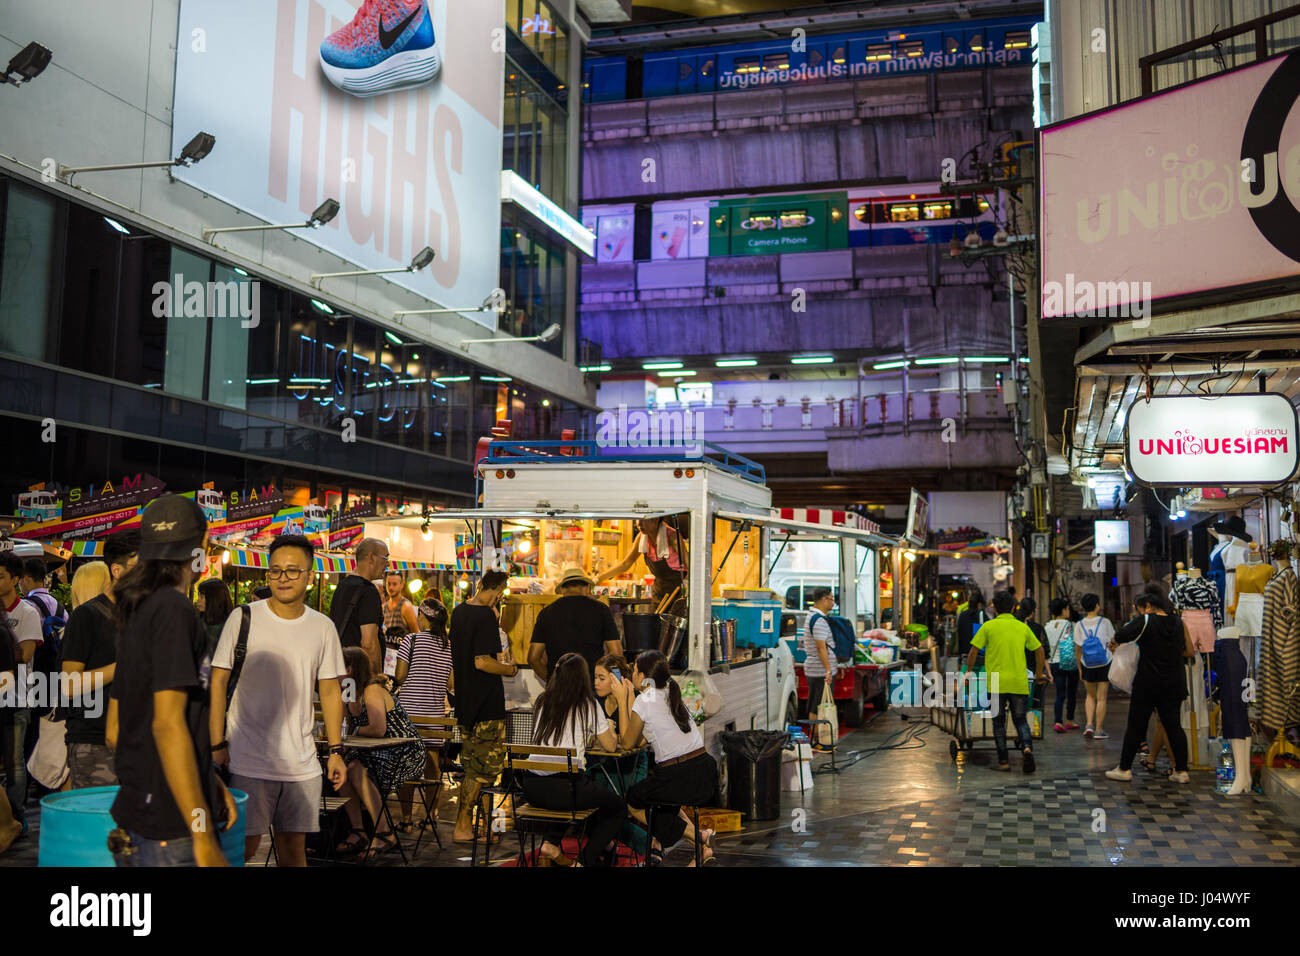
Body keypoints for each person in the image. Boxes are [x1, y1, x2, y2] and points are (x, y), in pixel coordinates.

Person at [107, 495, 237, 867]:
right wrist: (202, 832)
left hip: (140, 818)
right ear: (200, 549)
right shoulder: (173, 610)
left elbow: (116, 729)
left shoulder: (137, 609)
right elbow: (167, 724)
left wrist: (208, 782)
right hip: (172, 829)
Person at [209, 535, 347, 867]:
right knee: (241, 847)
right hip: (246, 758)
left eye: (292, 571)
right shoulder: (243, 618)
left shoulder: (322, 627)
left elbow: (329, 691)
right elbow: (217, 683)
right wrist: (217, 745)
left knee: (293, 850)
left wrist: (337, 751)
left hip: (302, 765)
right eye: (275, 571)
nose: (282, 578)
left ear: (310, 576)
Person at [607, 650, 716, 865]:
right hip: (705, 771)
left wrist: (622, 700)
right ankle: (702, 848)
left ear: (643, 676)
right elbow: (639, 740)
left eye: (635, 670)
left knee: (633, 801)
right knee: (662, 808)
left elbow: (627, 743)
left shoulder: (645, 700)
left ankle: (697, 837)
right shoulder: (670, 693)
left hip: (678, 776)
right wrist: (629, 698)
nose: (632, 674)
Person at [519, 652, 627, 867]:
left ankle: (550, 844)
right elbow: (611, 746)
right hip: (565, 789)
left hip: (531, 787)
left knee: (573, 796)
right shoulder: (588, 704)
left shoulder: (542, 701)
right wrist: (611, 729)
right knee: (617, 808)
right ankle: (583, 862)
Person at [336, 646, 427, 860]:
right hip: (374, 752)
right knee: (343, 770)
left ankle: (384, 832)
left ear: (349, 669)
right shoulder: (350, 690)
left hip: (404, 751)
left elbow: (378, 729)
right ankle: (358, 830)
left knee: (356, 769)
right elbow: (346, 725)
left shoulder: (372, 690)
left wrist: (351, 735)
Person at [448, 569, 516, 844]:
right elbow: (482, 661)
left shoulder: (459, 611)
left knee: (479, 768)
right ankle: (463, 825)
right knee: (482, 770)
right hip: (486, 704)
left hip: (465, 703)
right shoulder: (486, 615)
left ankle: (485, 826)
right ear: (498, 591)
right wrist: (509, 670)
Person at [1105, 591, 1194, 784]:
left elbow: (1121, 635)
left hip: (1148, 684)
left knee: (1136, 726)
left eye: (1138, 609)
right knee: (1174, 727)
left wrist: (1113, 644)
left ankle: (1124, 769)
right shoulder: (1178, 622)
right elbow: (1189, 651)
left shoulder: (1145, 620)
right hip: (1174, 683)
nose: (1138, 613)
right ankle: (1181, 771)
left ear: (1147, 606)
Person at [967, 590, 1047, 773]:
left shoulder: (988, 627)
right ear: (1013, 608)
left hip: (996, 683)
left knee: (998, 723)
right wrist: (1039, 673)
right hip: (1018, 682)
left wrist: (969, 672)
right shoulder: (1022, 627)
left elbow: (973, 651)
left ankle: (1003, 762)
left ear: (994, 609)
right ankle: (1026, 747)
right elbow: (1040, 650)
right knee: (1021, 720)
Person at [393, 597, 454, 831]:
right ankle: (431, 816)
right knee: (432, 767)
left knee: (406, 765)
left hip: (409, 714)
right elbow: (451, 682)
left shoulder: (412, 640)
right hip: (435, 714)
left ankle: (407, 819)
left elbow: (399, 676)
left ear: (424, 618)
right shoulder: (448, 645)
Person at [59, 561, 117, 788]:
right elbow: (69, 685)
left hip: (113, 736)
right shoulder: (84, 619)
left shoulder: (122, 620)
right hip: (92, 736)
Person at [0, 552, 41, 831]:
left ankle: (16, 815)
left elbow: (25, 654)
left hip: (17, 698)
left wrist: (3, 650)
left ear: (15, 579)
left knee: (15, 761)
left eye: (1, 575)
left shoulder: (26, 612)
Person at [528, 567, 624, 680]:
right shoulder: (601, 610)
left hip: (559, 687)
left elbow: (533, 658)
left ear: (563, 589)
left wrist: (551, 682)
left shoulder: (546, 612)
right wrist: (604, 681)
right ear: (587, 587)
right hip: (591, 685)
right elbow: (616, 653)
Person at [595, 516, 688, 615]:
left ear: (656, 520)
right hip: (659, 590)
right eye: (637, 520)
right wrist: (599, 578)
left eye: (644, 520)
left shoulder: (672, 536)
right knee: (655, 623)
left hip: (678, 590)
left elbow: (689, 563)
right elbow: (626, 563)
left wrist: (687, 586)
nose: (639, 524)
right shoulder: (642, 537)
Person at [330, 537, 388, 672]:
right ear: (372, 557)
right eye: (385, 558)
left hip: (339, 670)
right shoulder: (368, 591)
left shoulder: (342, 586)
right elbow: (369, 644)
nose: (387, 564)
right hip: (357, 676)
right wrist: (377, 679)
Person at [1073, 593, 1114, 739]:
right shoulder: (1105, 622)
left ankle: (1089, 724)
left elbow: (1078, 649)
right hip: (1104, 663)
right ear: (1097, 605)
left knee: (1090, 696)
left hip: (1087, 664)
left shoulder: (1079, 624)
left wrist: (1079, 668)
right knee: (1101, 697)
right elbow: (1112, 643)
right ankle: (1099, 730)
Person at [801, 588, 838, 726]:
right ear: (824, 599)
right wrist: (828, 670)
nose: (833, 603)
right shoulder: (818, 620)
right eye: (831, 599)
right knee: (818, 706)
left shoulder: (812, 617)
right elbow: (821, 647)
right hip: (819, 670)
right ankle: (817, 739)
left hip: (816, 669)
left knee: (816, 705)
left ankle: (816, 738)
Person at [1043, 598, 1080, 733]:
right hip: (1070, 662)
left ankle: (1058, 721)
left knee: (1060, 694)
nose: (1069, 611)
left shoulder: (1047, 626)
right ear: (1063, 610)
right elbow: (1077, 644)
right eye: (1068, 608)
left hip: (1054, 663)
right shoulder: (1072, 625)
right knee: (1071, 693)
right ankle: (1070, 720)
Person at [594, 653, 632, 732]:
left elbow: (630, 740)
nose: (596, 682)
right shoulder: (594, 700)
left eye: (601, 678)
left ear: (617, 679)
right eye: (595, 677)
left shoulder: (633, 698)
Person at [196, 579, 234, 656]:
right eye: (198, 596)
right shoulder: (201, 621)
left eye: (202, 597)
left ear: (214, 599)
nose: (198, 600)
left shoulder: (227, 626)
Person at [382, 571, 419, 644]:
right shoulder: (383, 607)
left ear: (402, 585)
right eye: (388, 584)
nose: (391, 587)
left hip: (402, 652)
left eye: (394, 584)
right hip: (388, 652)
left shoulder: (406, 606)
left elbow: (416, 634)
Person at [955, 591, 988, 666]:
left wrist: (959, 660)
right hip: (979, 658)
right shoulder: (982, 615)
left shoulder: (962, 615)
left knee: (967, 676)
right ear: (979, 604)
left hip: (964, 657)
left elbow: (959, 637)